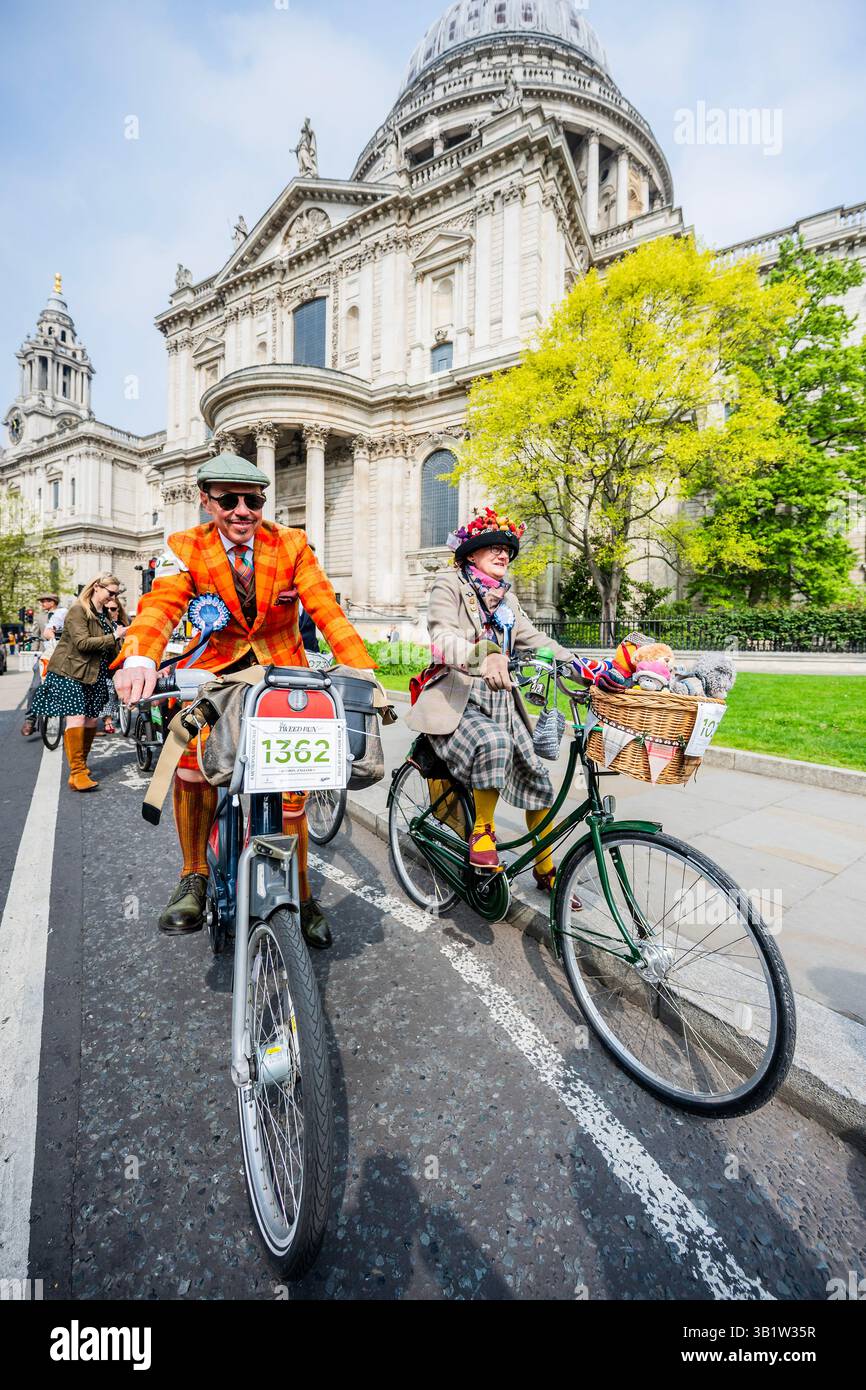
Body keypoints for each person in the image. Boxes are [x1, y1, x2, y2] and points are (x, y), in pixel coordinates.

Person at [113, 452, 375, 949]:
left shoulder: (291, 543)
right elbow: (161, 604)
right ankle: (194, 875)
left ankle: (300, 890)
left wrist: (358, 668)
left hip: (283, 676)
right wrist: (141, 658)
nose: (241, 511)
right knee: (190, 766)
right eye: (228, 500)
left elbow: (325, 607)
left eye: (252, 500)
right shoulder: (183, 545)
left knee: (294, 784)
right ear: (206, 500)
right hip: (214, 679)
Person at [405, 508, 577, 891]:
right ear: (471, 554)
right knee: (492, 743)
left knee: (539, 779)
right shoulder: (448, 584)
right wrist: (484, 653)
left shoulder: (507, 601)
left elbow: (536, 640)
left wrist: (581, 663)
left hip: (502, 698)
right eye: (493, 549)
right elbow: (443, 635)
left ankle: (545, 868)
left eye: (506, 550)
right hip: (457, 696)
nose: (503, 555)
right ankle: (482, 833)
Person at [31, 575, 127, 790]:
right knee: (77, 718)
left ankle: (81, 766)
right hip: (71, 672)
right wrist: (114, 636)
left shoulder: (105, 616)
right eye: (110, 592)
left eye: (116, 594)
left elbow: (110, 651)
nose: (113, 598)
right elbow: (83, 643)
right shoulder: (78, 610)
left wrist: (120, 668)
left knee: (92, 721)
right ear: (96, 587)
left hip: (95, 675)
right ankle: (77, 772)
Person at [20, 594, 68, 736]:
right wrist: (34, 652)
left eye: (46, 601)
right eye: (42, 601)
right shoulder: (40, 617)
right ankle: (30, 720)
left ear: (53, 602)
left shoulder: (65, 614)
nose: (43, 603)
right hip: (44, 655)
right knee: (35, 686)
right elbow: (35, 636)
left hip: (62, 654)